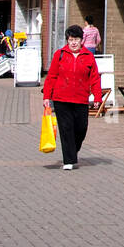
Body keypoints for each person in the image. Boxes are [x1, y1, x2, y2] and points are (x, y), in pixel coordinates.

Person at [42, 25, 101, 171]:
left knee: (81, 128)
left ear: (82, 40)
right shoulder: (59, 54)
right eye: (71, 40)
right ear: (67, 41)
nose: (73, 42)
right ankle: (68, 160)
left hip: (81, 99)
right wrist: (46, 97)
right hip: (61, 99)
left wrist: (97, 97)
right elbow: (51, 77)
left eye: (76, 39)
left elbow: (94, 78)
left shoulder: (88, 56)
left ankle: (72, 150)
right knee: (66, 128)